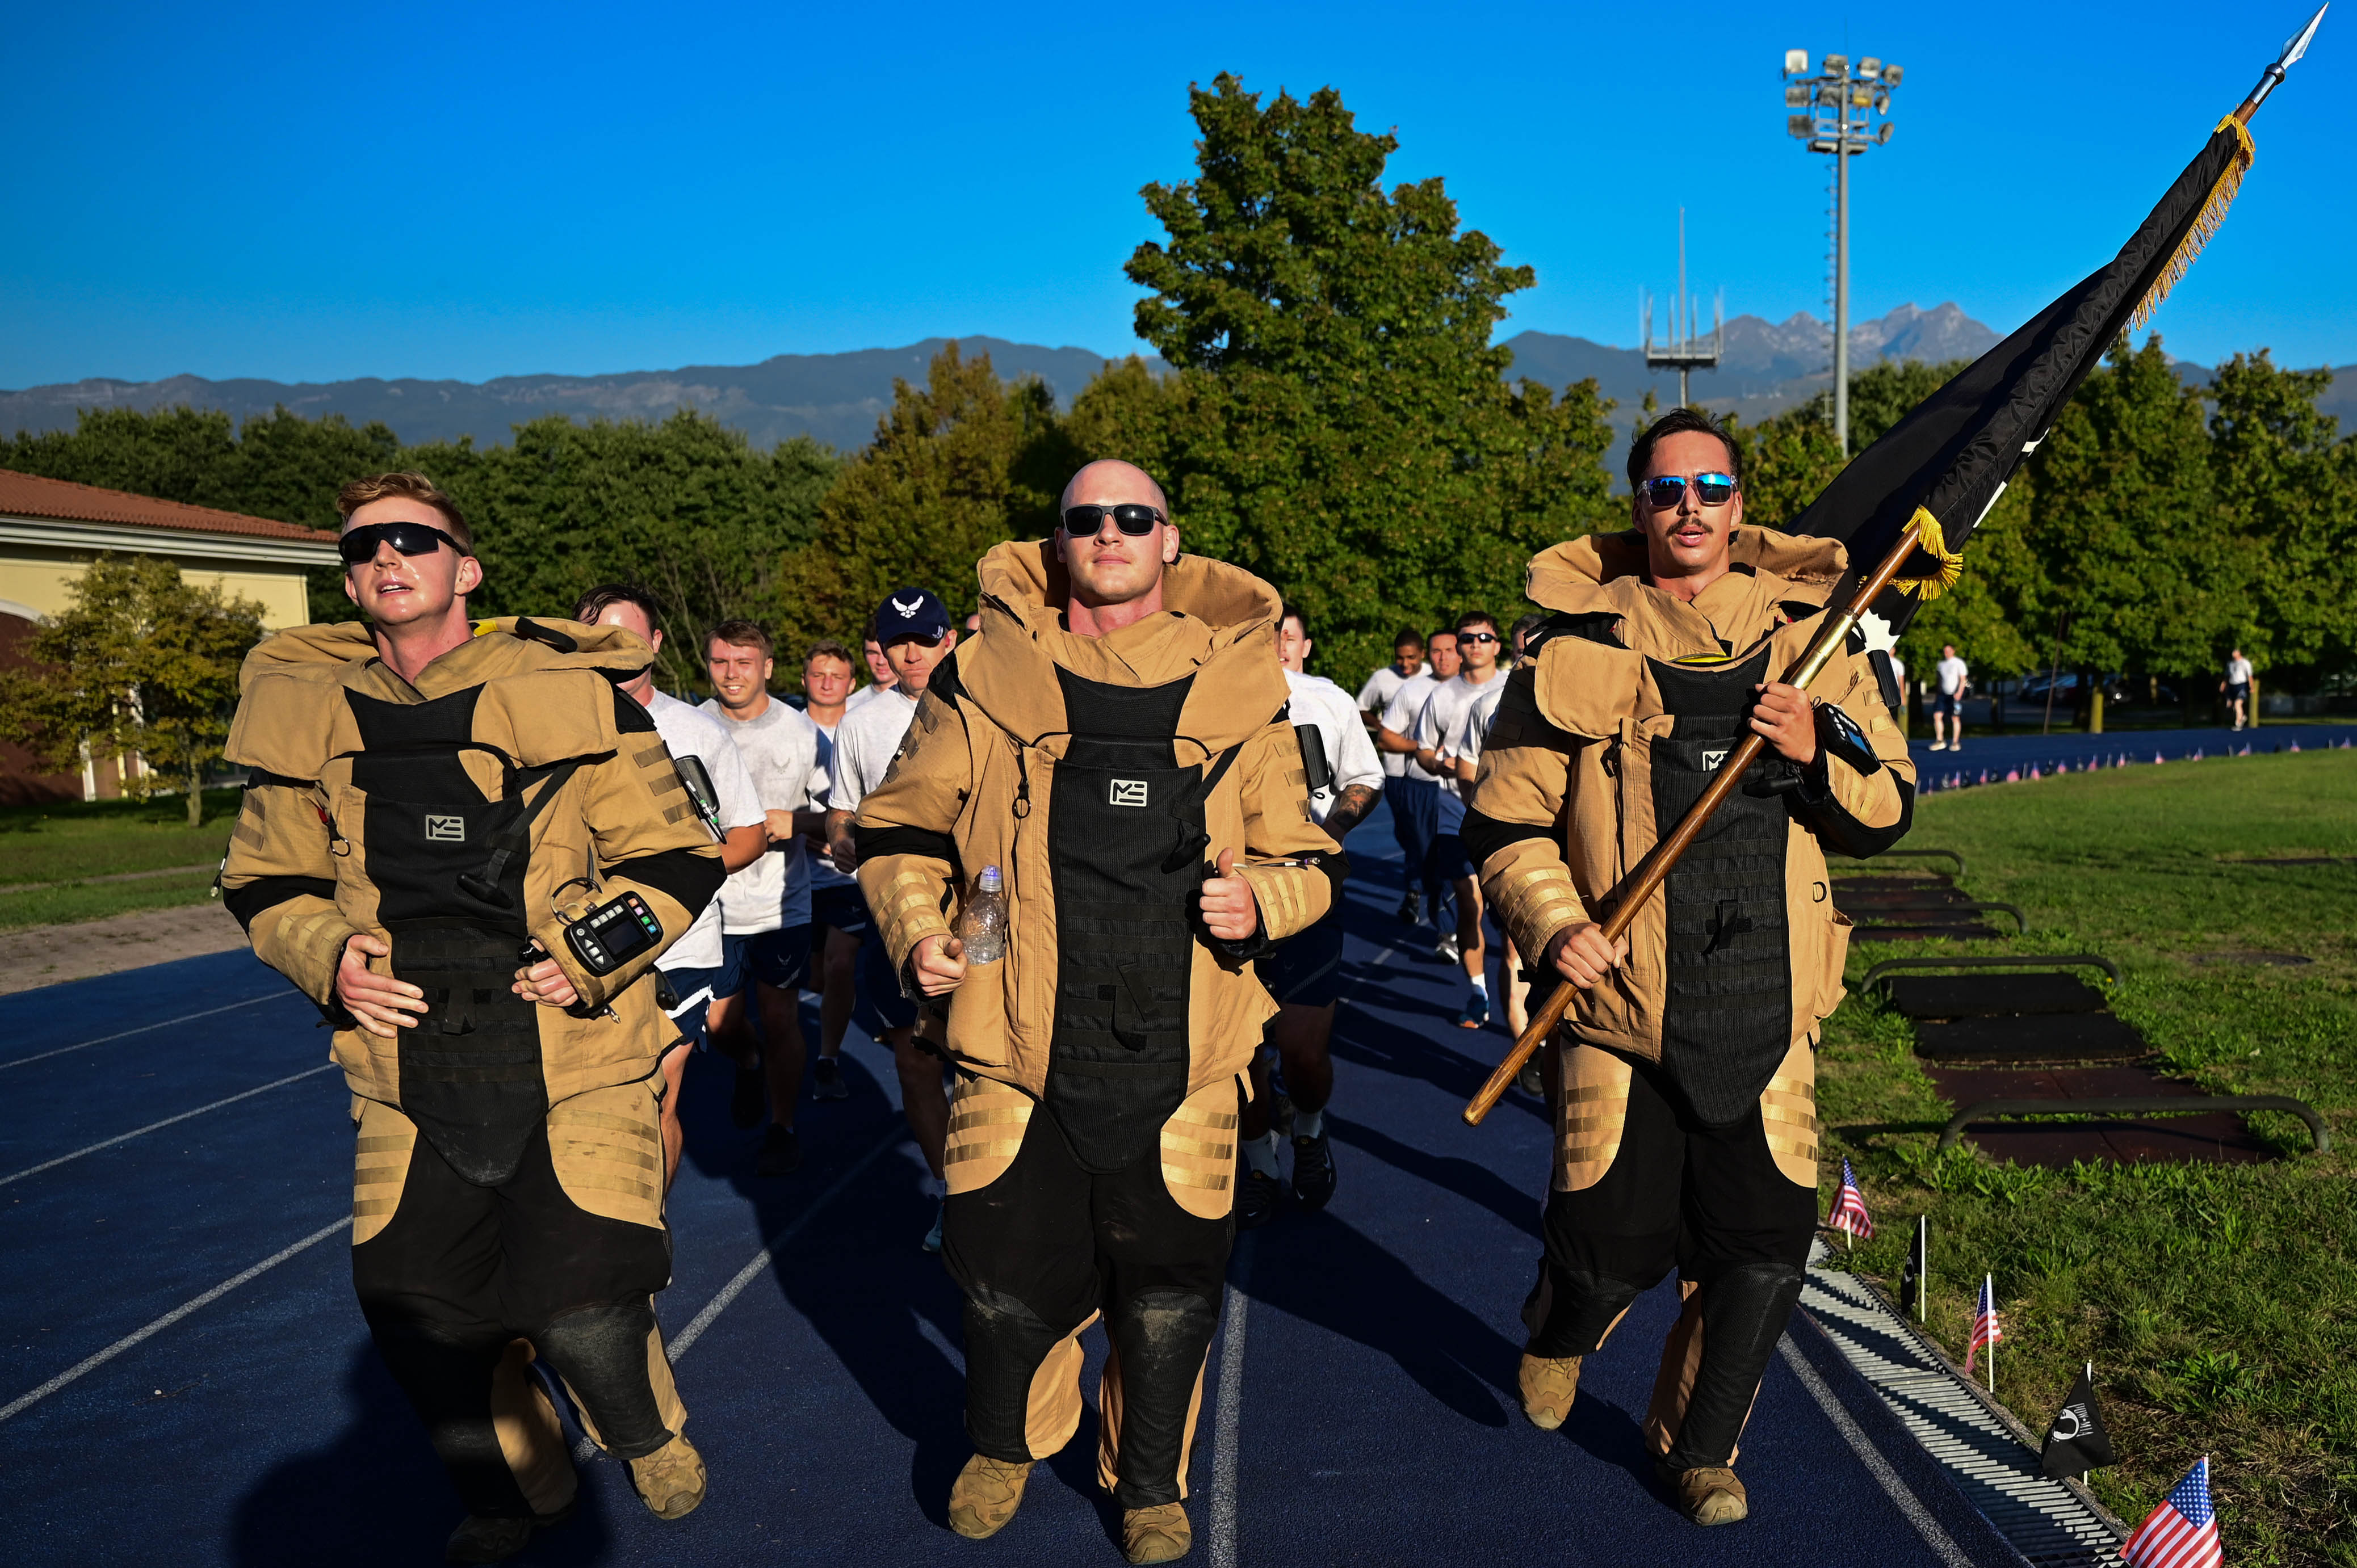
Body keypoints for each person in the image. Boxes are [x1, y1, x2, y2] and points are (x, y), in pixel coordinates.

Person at [220, 473, 724, 1562]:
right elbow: (264, 880)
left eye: (411, 539)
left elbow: (680, 852)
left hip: (576, 1052)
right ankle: (512, 1490)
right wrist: (329, 958)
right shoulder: (307, 711)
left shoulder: (576, 691)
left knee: (584, 1302)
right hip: (405, 1065)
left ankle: (643, 1430)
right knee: (415, 1316)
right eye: (361, 548)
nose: (385, 559)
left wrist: (587, 952)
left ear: (466, 566)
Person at [856, 460, 1339, 1563]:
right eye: (1087, 517)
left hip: (1186, 1049)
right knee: (996, 1274)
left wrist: (1261, 895)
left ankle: (1152, 1480)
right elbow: (895, 830)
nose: (1110, 532)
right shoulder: (980, 675)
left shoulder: (1244, 685)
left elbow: (1306, 853)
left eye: (1134, 516)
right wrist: (920, 928)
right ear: (1058, 540)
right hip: (1014, 1040)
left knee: (1169, 1294)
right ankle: (1004, 1442)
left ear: (1169, 540)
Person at [1464, 409, 1914, 1527]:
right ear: (1638, 506)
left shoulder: (1827, 643)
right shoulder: (1567, 647)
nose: (1690, 510)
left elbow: (1891, 802)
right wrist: (1553, 924)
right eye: (1667, 491)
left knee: (1762, 1255)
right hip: (1619, 1008)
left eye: (1711, 488)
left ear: (1740, 502)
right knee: (1610, 1248)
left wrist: (1820, 752)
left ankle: (1697, 1449)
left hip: (1771, 1005)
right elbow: (1506, 825)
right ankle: (1566, 1320)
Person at [573, 585, 769, 1186]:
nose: (613, 652)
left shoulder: (695, 733)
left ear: (654, 644)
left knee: (655, 1095)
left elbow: (749, 835)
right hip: (579, 941)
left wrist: (676, 879)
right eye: (598, 639)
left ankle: (645, 1241)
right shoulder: (552, 729)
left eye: (627, 638)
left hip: (676, 943)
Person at [1235, 603, 1385, 1228]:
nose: (1272, 646)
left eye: (1281, 636)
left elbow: (1364, 777)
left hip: (1307, 889)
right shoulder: (1211, 699)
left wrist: (1332, 833)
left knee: (1300, 1051)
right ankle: (1259, 1166)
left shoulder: (1326, 700)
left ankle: (1309, 1126)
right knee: (1238, 1058)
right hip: (1230, 893)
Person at [824, 588, 960, 1250]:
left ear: (950, 639)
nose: (912, 651)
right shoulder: (861, 723)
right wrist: (844, 838)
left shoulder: (984, 706)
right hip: (896, 917)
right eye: (898, 639)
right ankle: (950, 1194)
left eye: (924, 637)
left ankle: (1003, 1190)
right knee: (915, 1063)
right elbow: (842, 811)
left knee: (991, 1060)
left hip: (980, 912)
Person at [701, 621, 827, 1176]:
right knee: (718, 1025)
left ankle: (783, 1126)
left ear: (768, 668)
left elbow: (841, 818)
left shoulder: (801, 733)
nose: (732, 674)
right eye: (721, 662)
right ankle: (746, 1061)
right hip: (712, 905)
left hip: (781, 903)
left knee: (782, 1020)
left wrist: (794, 820)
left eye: (744, 662)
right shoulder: (688, 728)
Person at [1442, 613, 1543, 1042]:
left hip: (1568, 842)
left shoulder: (1579, 700)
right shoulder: (1487, 706)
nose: (1530, 658)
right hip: (1508, 838)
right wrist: (1486, 815)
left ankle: (1552, 1041)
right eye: (1525, 650)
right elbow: (1464, 765)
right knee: (1514, 946)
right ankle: (1529, 1047)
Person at [1412, 611, 1508, 1028]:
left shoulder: (1513, 687)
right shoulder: (1443, 696)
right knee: (1470, 904)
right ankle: (1478, 994)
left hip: (1507, 809)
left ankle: (1524, 992)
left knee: (1510, 907)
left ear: (1498, 646)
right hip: (1454, 808)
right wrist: (1438, 763)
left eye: (1484, 637)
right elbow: (1421, 749)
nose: (1475, 644)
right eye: (1467, 637)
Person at [798, 638, 863, 1102]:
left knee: (841, 966)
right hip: (794, 876)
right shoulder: (785, 730)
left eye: (836, 676)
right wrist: (806, 831)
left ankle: (828, 1059)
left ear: (851, 683)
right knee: (815, 977)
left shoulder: (865, 728)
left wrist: (846, 835)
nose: (826, 683)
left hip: (847, 878)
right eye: (818, 674)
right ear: (803, 679)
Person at [1377, 627, 1461, 951]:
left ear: (1460, 652)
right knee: (1428, 862)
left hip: (1461, 790)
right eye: (1437, 651)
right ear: (1429, 655)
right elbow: (1386, 737)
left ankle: (1449, 934)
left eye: (1449, 650)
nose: (1443, 657)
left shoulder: (1478, 690)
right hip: (1421, 789)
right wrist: (1422, 748)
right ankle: (1443, 922)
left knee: (1457, 862)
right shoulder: (1412, 691)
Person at [1356, 629, 1425, 920]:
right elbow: (1360, 709)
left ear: (1422, 654)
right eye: (1400, 658)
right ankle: (1419, 879)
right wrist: (1382, 728)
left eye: (1411, 658)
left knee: (1426, 835)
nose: (1406, 664)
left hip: (1429, 773)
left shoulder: (1436, 677)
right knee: (1406, 832)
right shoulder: (1383, 679)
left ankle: (1416, 890)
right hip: (1395, 769)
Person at [1930, 644, 1969, 751]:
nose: (1946, 653)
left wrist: (1959, 692)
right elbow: (1939, 680)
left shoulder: (1959, 663)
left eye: (1948, 650)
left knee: (1955, 717)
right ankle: (1940, 740)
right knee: (1937, 716)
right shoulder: (1941, 665)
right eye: (1945, 651)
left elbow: (1963, 679)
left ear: (1953, 651)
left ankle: (1956, 742)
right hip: (1942, 694)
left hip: (1954, 694)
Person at [846, 634, 898, 713]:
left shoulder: (920, 702)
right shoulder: (849, 707)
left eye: (885, 653)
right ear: (864, 654)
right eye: (873, 653)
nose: (881, 662)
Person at [2221, 648, 2254, 731]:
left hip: (2241, 685)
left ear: (2239, 653)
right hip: (2232, 686)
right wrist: (2224, 684)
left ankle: (2238, 723)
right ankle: (2241, 717)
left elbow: (2249, 676)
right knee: (2231, 706)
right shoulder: (2230, 664)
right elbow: (2227, 676)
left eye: (2235, 652)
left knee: (2238, 704)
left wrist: (2251, 687)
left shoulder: (2245, 663)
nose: (2233, 654)